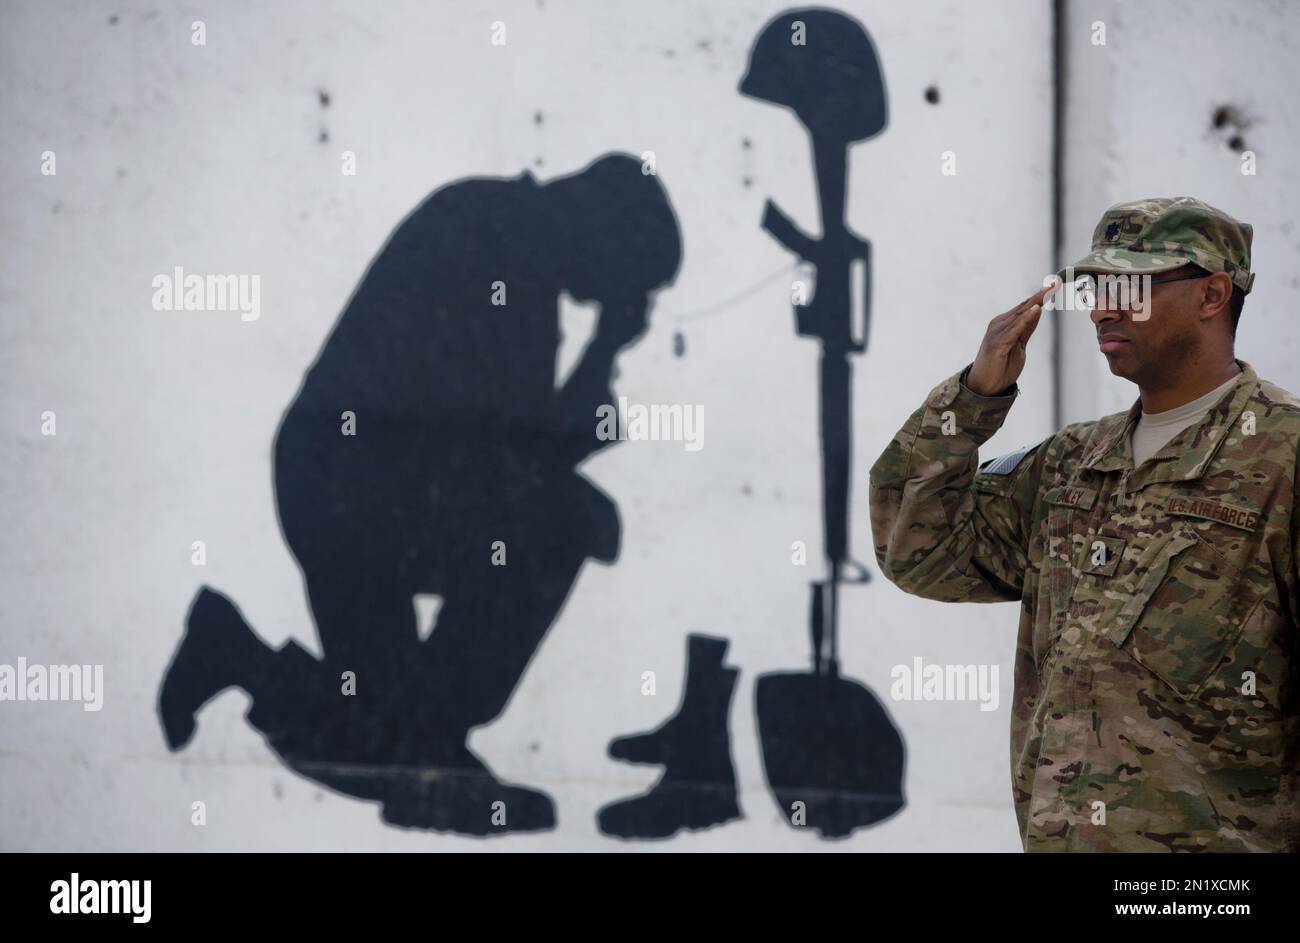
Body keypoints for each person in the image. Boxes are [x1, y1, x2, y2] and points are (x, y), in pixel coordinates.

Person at [158, 154, 682, 834]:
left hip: (351, 489)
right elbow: (523, 461)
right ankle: (429, 744)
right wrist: (601, 353)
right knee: (560, 519)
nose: (609, 294)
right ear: (607, 233)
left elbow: (515, 447)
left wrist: (603, 349)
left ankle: (246, 658)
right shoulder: (507, 244)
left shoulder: (510, 235)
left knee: (382, 738)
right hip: (362, 496)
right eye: (625, 277)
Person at [869, 197, 1299, 851]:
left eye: (1130, 285)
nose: (1103, 307)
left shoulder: (1281, 456)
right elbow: (917, 551)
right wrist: (973, 400)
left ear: (1213, 294)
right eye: (1096, 286)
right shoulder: (1074, 462)